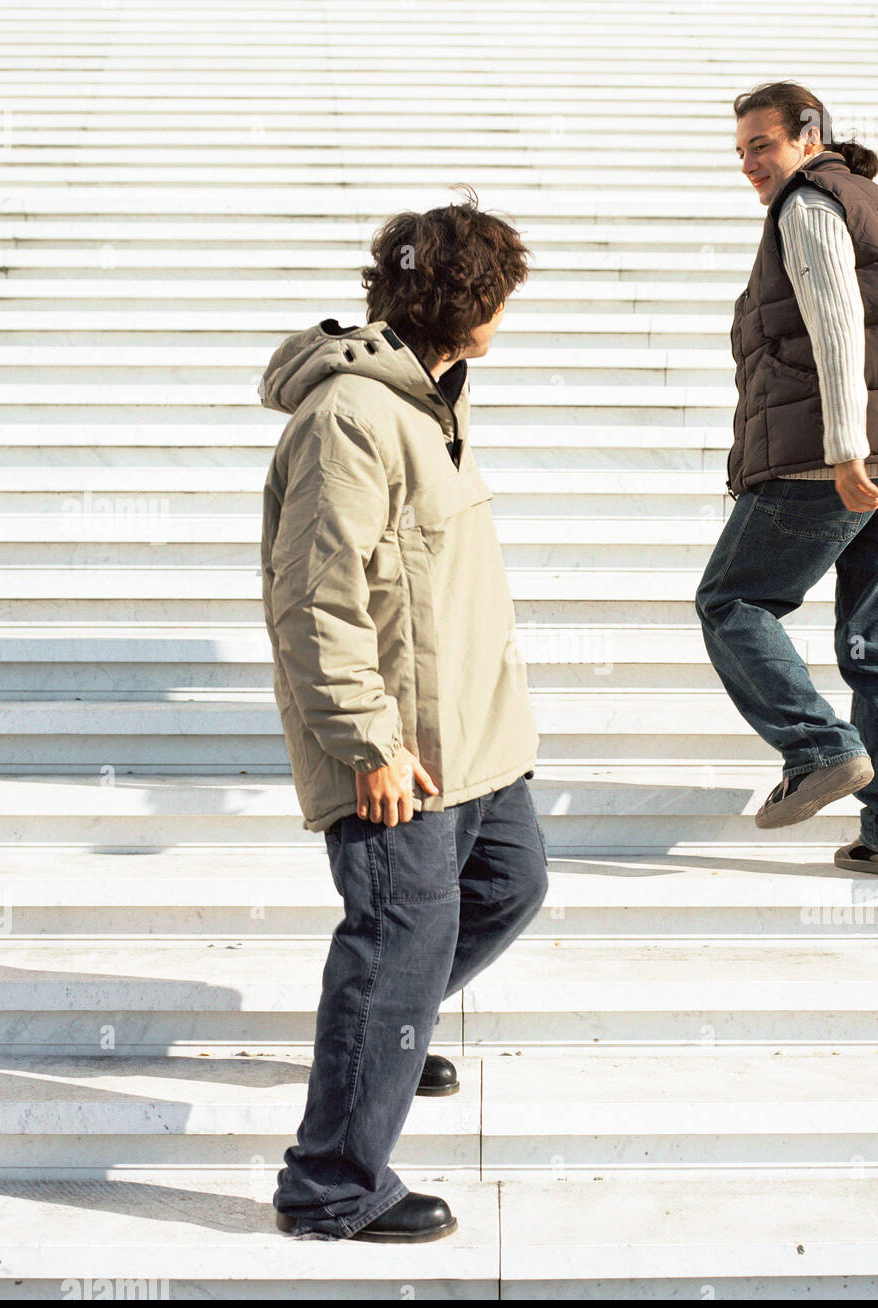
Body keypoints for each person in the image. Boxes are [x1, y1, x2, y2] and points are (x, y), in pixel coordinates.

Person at [259, 185, 547, 1242]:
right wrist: (368, 742)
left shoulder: (429, 396)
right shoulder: (351, 419)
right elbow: (316, 599)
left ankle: (386, 1025)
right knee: (395, 939)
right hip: (398, 751)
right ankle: (332, 1183)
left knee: (510, 887)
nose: (508, 312)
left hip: (473, 739)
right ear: (470, 303)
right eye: (502, 293)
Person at [696, 81, 878, 881]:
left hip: (831, 458)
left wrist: (847, 446)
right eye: (742, 150)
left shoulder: (808, 205)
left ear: (809, 136)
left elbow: (836, 318)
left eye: (763, 145)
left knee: (732, 601)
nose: (751, 163)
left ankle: (819, 748)